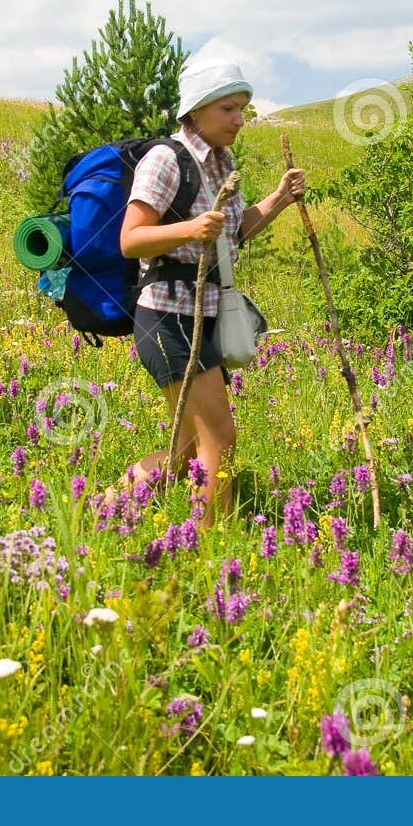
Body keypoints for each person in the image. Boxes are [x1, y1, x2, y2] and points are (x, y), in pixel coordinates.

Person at [119, 58, 305, 527]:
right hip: (165, 315)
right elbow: (131, 239)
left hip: (205, 316)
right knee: (219, 438)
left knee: (186, 452)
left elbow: (232, 234)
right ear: (197, 110)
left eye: (243, 108)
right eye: (229, 109)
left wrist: (279, 198)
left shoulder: (223, 164)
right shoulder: (165, 158)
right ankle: (209, 548)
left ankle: (104, 506)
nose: (240, 119)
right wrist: (190, 229)